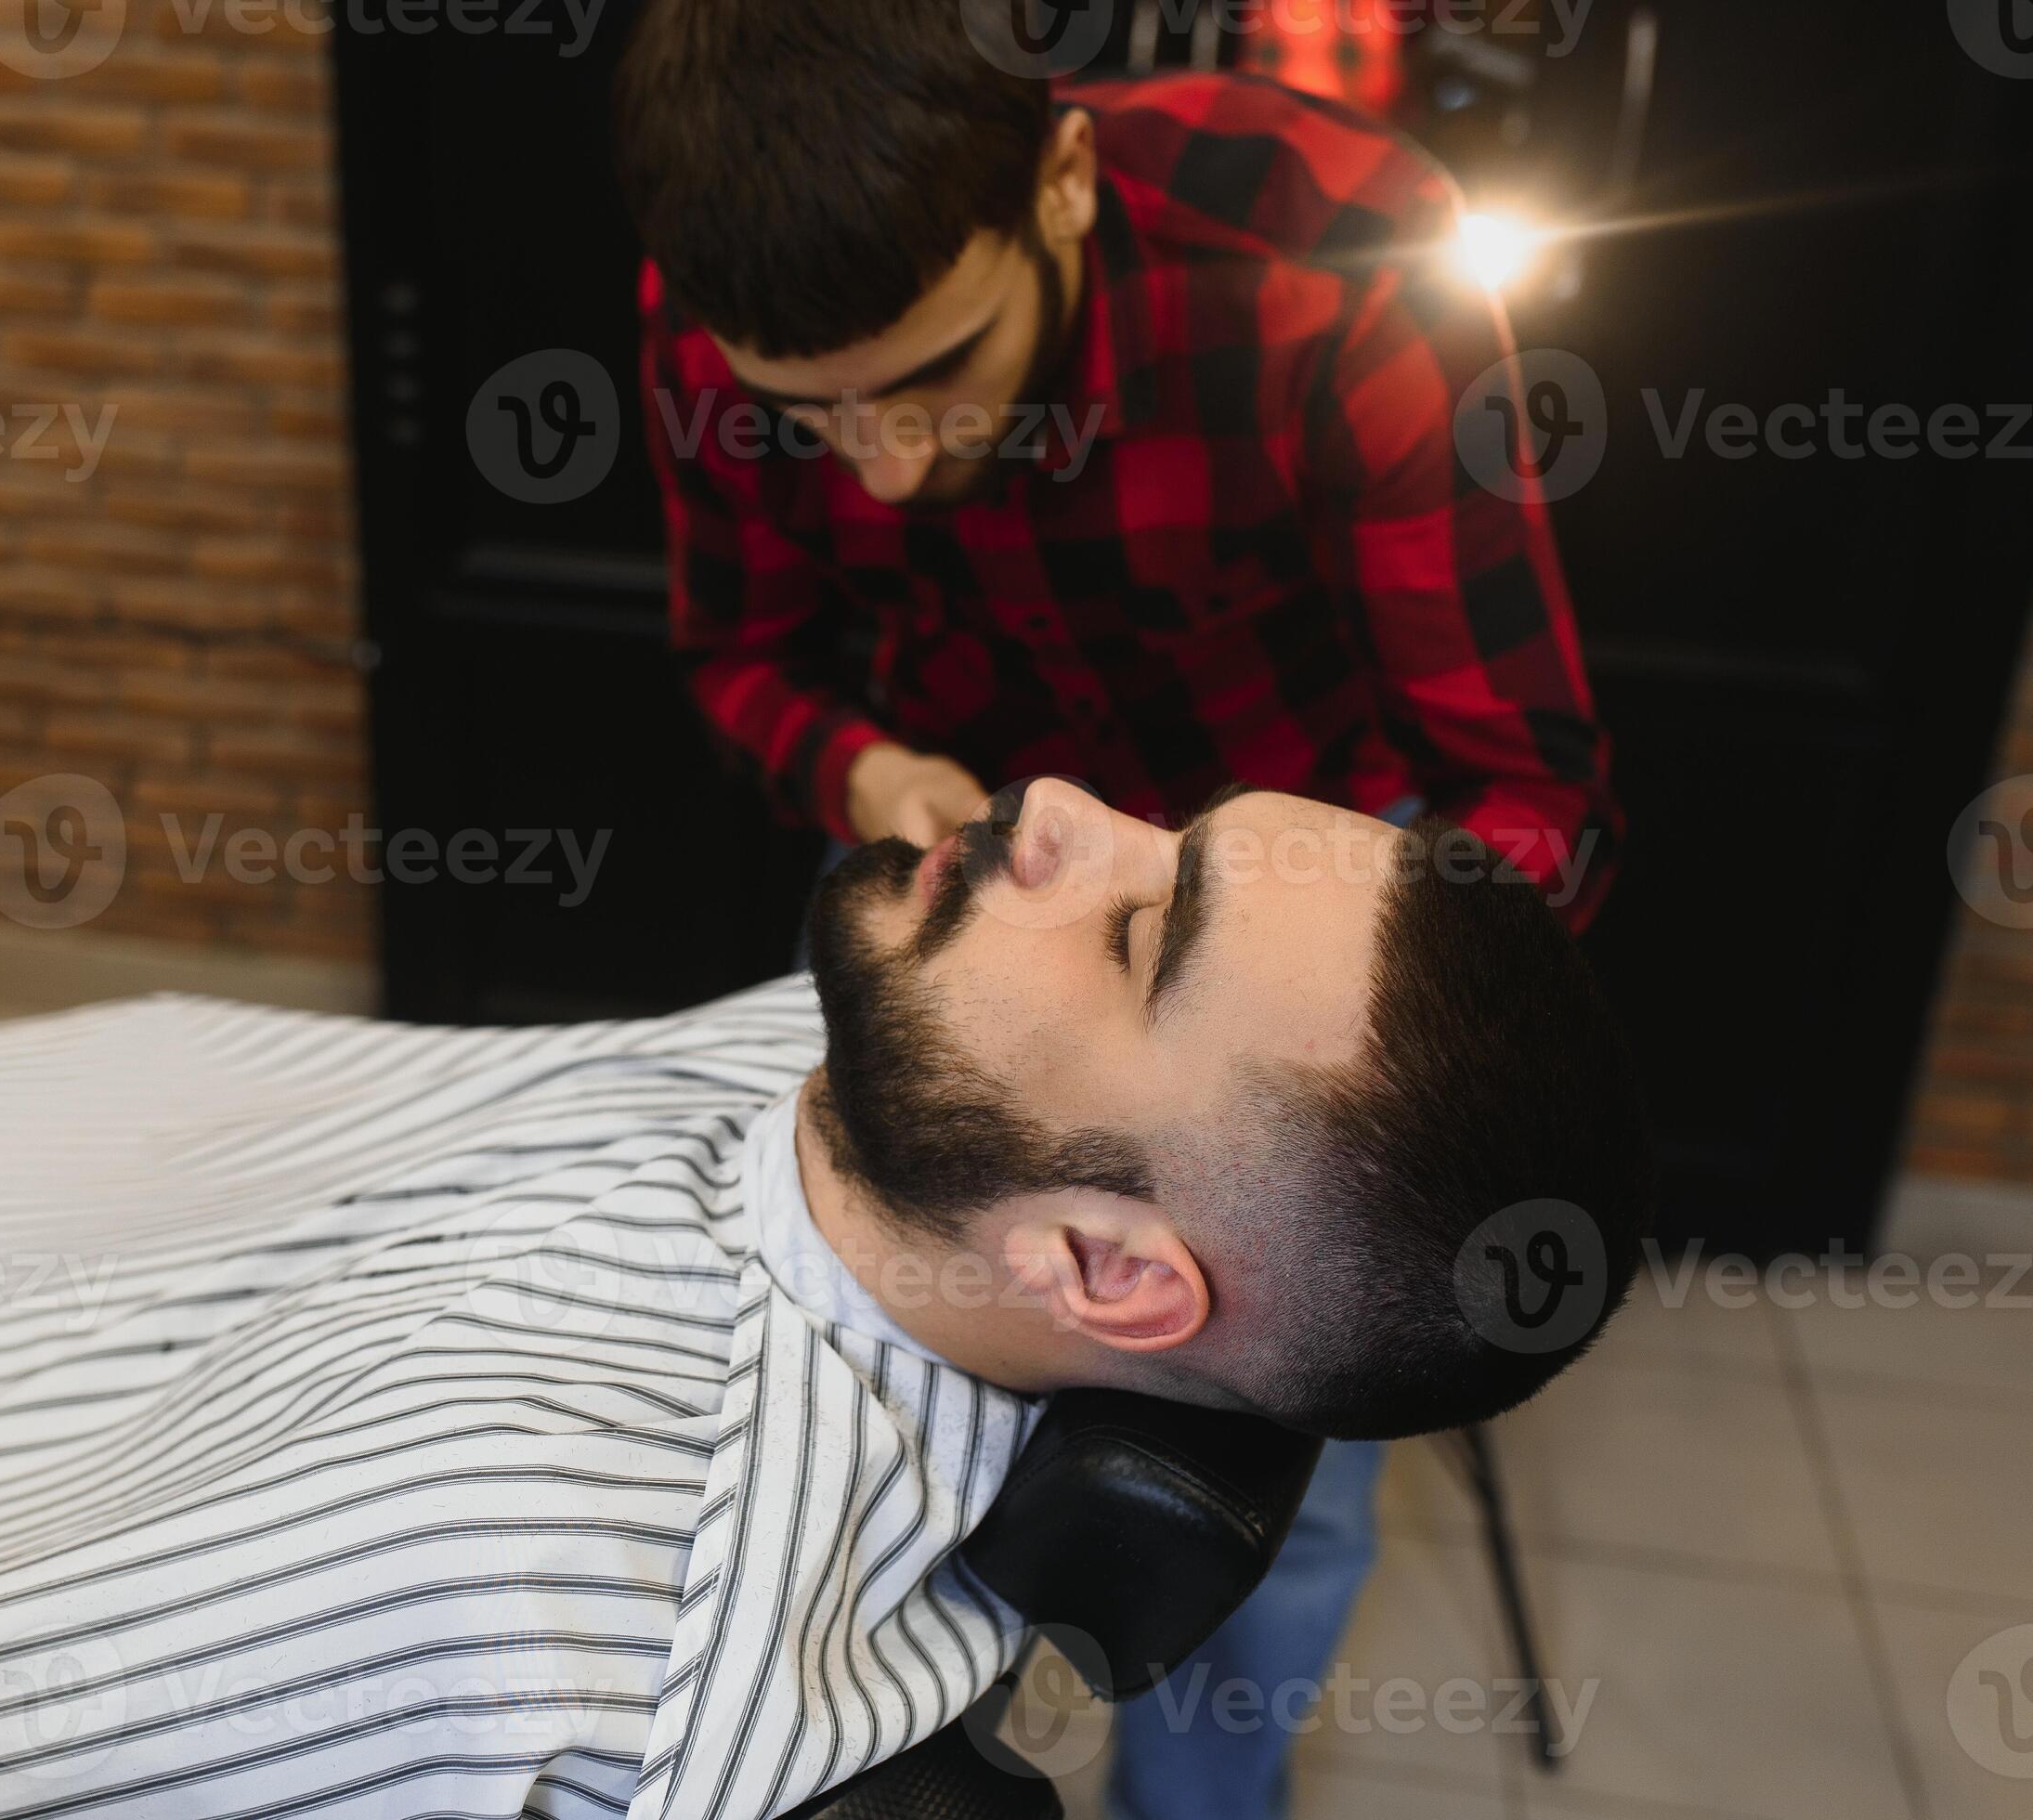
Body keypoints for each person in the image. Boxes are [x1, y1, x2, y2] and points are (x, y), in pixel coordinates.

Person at [0, 788, 1649, 1820]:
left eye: (1133, 929)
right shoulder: (892, 1105)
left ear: (1109, 1270)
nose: (1051, 804)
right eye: (1158, 825)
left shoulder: (545, 1578)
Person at [615, 5, 1626, 1812]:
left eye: (931, 375)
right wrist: (861, 775)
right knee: (833, 1396)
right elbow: (741, 655)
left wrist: (1309, 1023)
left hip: (1274, 859)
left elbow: (1531, 794)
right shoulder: (728, 287)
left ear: (1061, 181)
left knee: (1250, 1491)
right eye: (807, 411)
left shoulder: (1334, 255)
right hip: (958, 867)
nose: (880, 466)